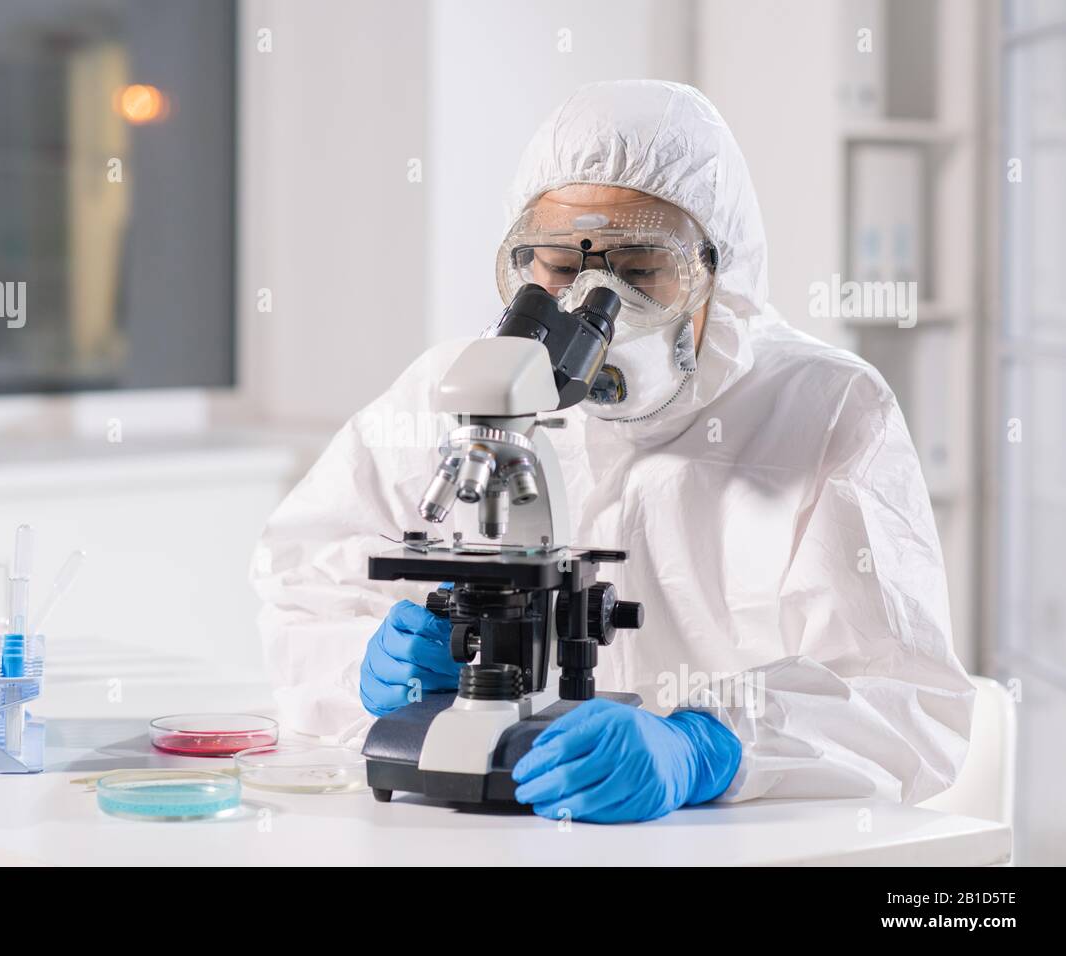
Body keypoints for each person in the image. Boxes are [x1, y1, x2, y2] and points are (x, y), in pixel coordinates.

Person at [250, 79, 974, 823]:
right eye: (562, 270)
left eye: (638, 270)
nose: (594, 298)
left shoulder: (826, 408)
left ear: (714, 269)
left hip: (726, 834)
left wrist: (708, 747)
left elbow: (905, 698)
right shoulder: (458, 387)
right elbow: (303, 587)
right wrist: (364, 665)